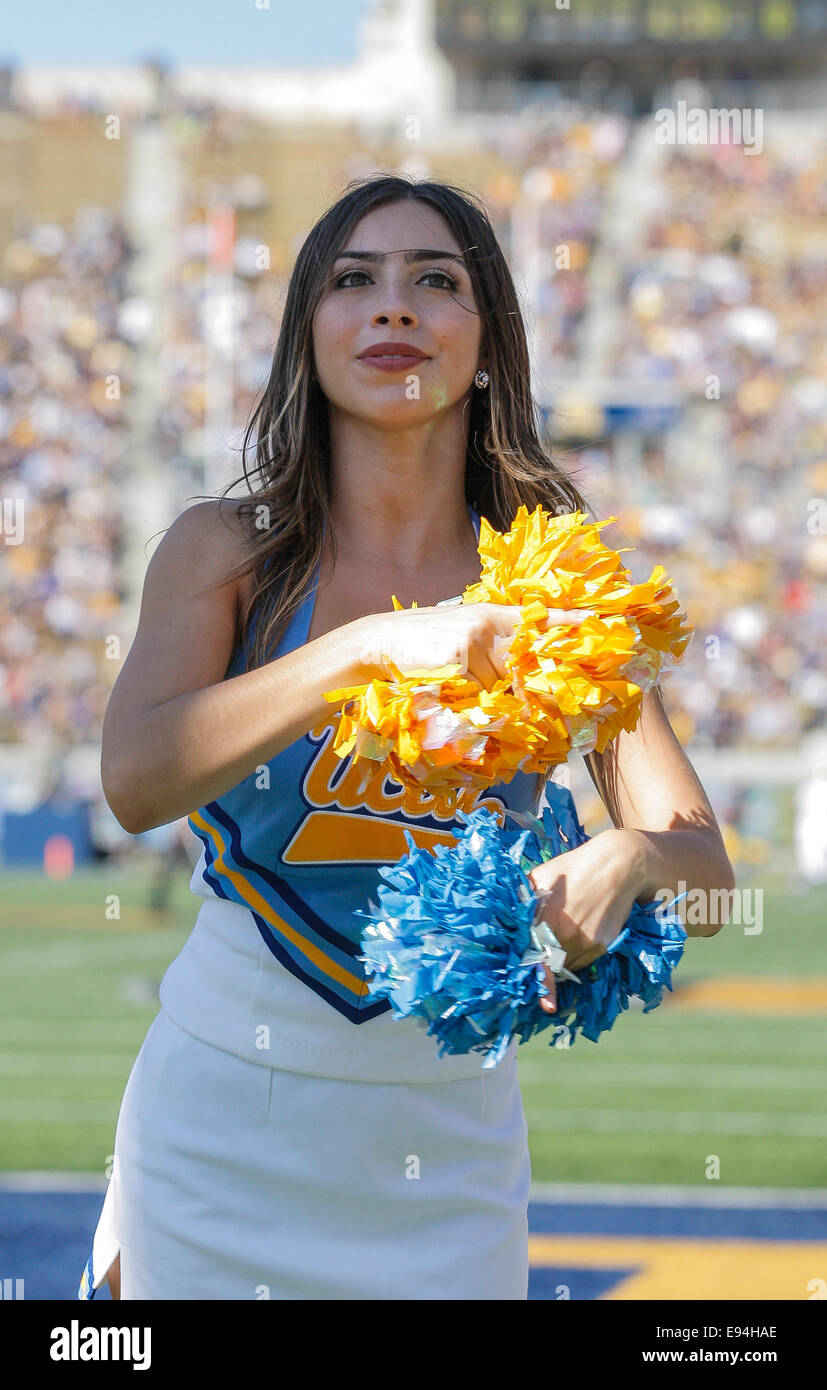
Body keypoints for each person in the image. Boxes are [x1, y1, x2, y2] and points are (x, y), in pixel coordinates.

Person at [77, 174, 734, 1302]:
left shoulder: (555, 589)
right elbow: (136, 782)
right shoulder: (223, 552)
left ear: (486, 344)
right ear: (309, 335)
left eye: (435, 281)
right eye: (352, 282)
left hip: (449, 1138)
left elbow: (708, 871)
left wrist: (629, 859)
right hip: (223, 1111)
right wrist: (365, 653)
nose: (391, 309)